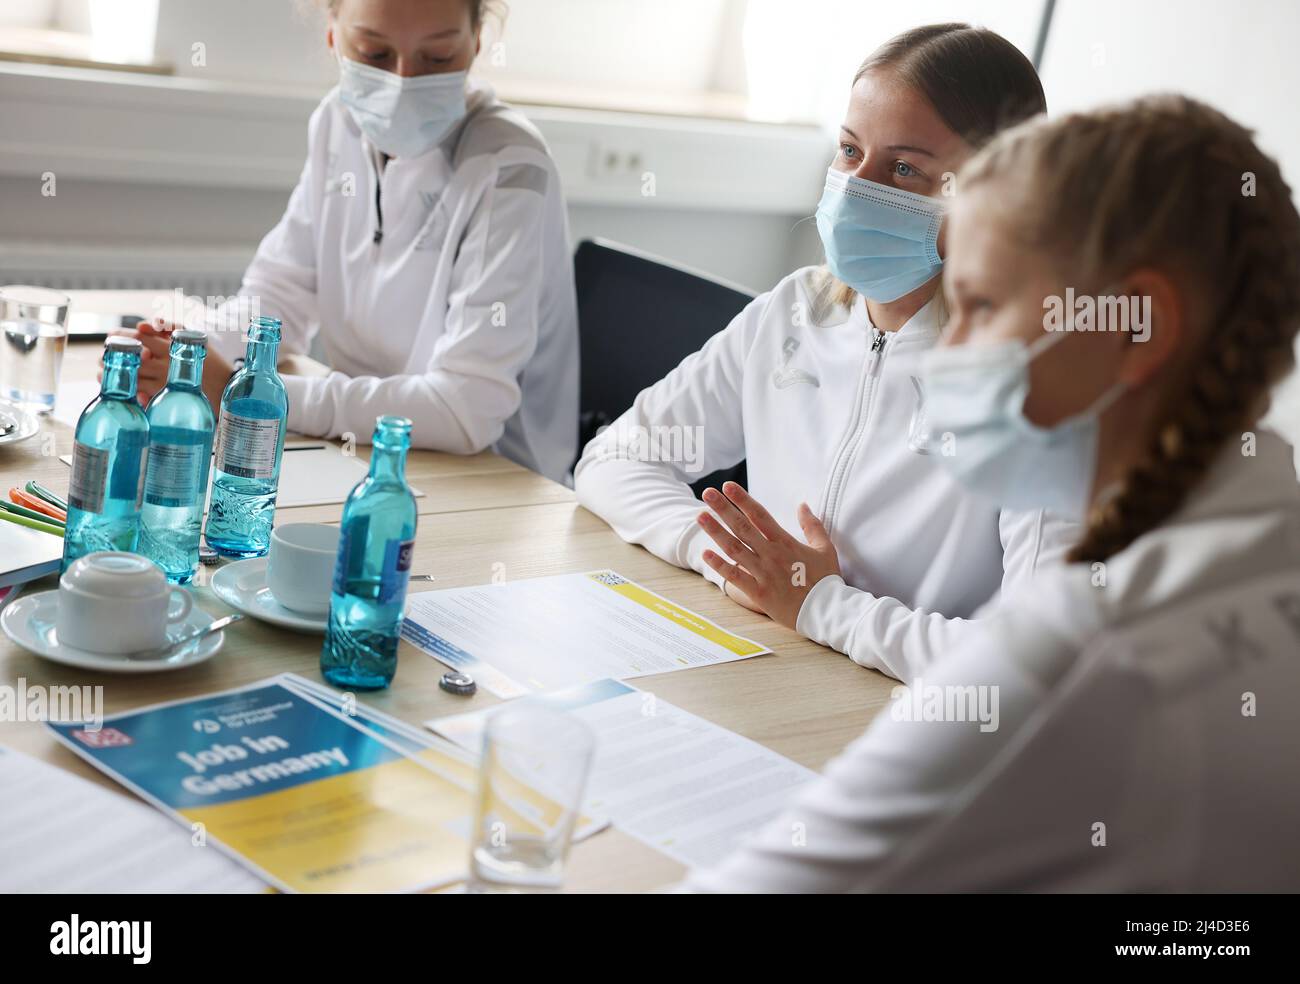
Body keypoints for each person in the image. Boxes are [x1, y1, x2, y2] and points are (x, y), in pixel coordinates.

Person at [682, 95, 1300, 892]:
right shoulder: (1260, 539)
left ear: (1137, 326)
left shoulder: (1078, 659)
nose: (946, 358)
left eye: (977, 307)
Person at [575, 25, 1075, 683]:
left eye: (903, 168)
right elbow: (613, 458)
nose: (855, 187)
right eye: (848, 150)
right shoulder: (797, 311)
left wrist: (818, 605)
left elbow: (1035, 662)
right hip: (763, 669)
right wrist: (734, 561)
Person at [121, 0, 578, 483]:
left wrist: (248, 393)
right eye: (375, 53)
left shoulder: (508, 167)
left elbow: (466, 410)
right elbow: (279, 293)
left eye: (438, 58)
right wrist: (191, 358)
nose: (404, 82)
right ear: (333, 36)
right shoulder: (337, 122)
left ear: (478, 42)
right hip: (359, 452)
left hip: (493, 482)